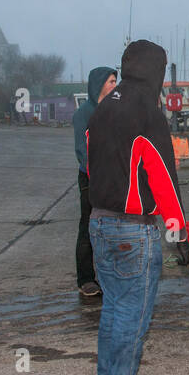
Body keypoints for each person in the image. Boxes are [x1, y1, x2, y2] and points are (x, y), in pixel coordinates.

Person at [87, 40, 189, 375]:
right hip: (132, 229)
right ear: (156, 71)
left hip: (99, 222)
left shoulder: (102, 109)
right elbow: (163, 177)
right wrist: (178, 230)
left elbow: (90, 166)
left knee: (114, 310)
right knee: (132, 317)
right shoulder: (147, 112)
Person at [73, 66, 117, 299]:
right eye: (111, 81)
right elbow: (82, 151)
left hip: (114, 176)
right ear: (99, 84)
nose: (114, 86)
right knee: (88, 225)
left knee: (115, 225)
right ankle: (86, 279)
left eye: (115, 81)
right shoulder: (83, 114)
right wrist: (98, 174)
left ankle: (113, 275)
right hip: (91, 178)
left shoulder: (116, 110)